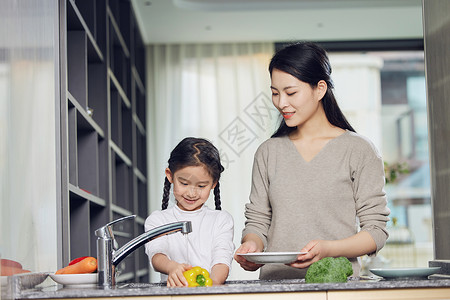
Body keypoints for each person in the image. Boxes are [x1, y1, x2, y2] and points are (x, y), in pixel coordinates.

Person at [234, 42, 390, 280]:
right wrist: (252, 246)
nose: (281, 103)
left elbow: (376, 232)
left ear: (320, 89)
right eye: (275, 93)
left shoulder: (359, 150)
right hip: (275, 289)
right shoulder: (268, 152)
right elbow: (258, 221)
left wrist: (329, 249)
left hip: (337, 288)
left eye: (291, 92)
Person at [144, 137, 234, 287]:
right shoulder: (158, 220)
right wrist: (172, 267)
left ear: (213, 183)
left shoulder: (221, 220)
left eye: (201, 186)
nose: (192, 193)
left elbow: (222, 259)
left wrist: (211, 286)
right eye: (184, 183)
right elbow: (157, 254)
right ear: (170, 175)